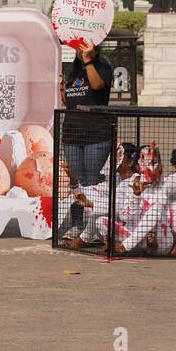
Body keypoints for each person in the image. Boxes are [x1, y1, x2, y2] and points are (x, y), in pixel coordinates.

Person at [59, 38, 114, 242]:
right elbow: (70, 100)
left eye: (82, 46)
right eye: (76, 47)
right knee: (76, 182)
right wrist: (61, 88)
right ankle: (77, 225)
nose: (78, 50)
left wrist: (88, 60)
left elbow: (97, 85)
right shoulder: (73, 70)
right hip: (72, 134)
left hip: (96, 134)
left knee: (92, 181)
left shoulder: (102, 66)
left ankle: (96, 227)